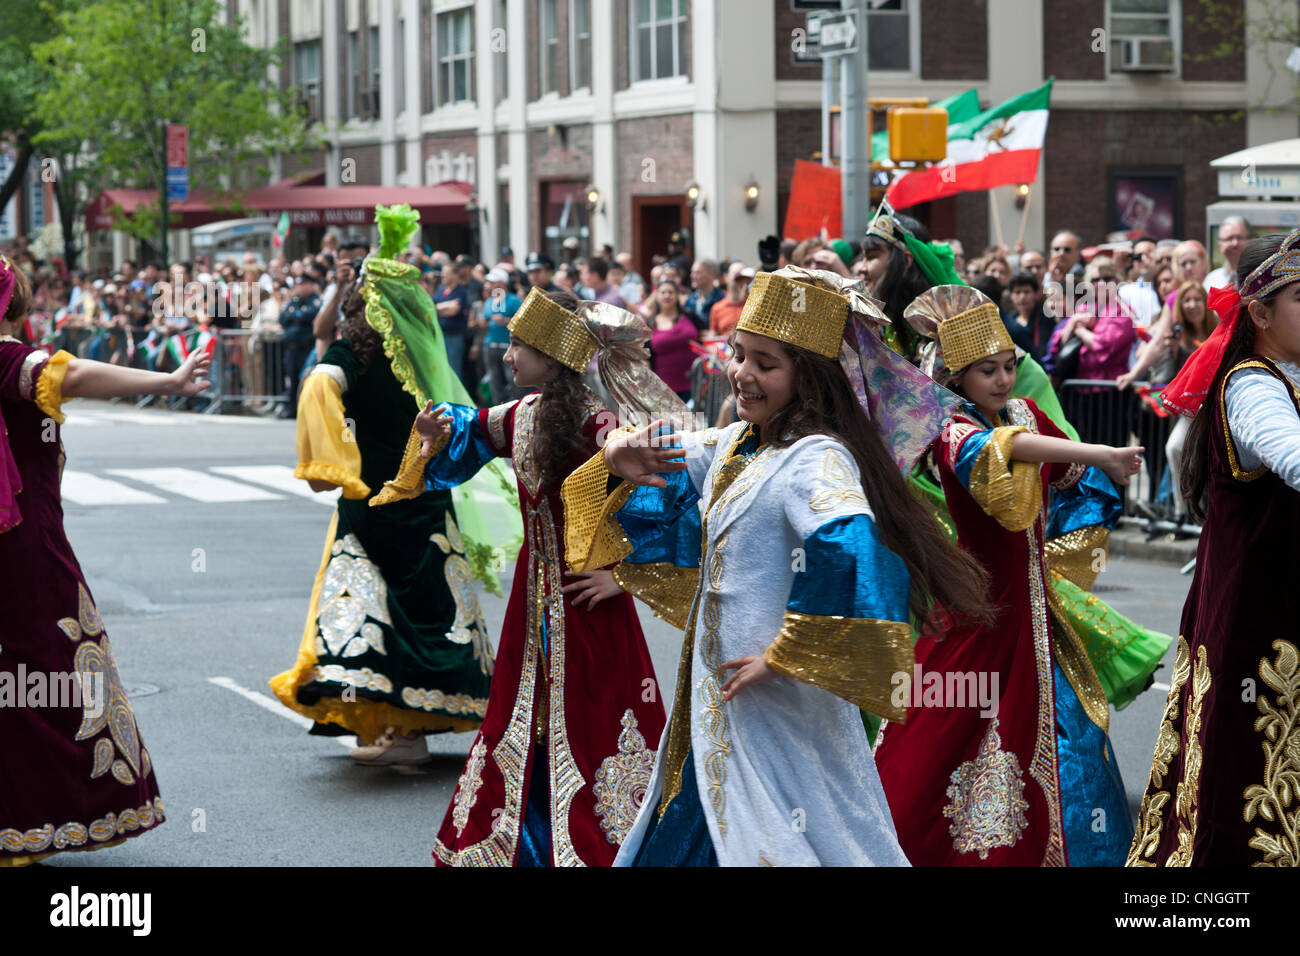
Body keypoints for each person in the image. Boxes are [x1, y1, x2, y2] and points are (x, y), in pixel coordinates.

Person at [560, 268, 991, 866]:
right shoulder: (740, 443)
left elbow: (852, 546)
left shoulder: (817, 458)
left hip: (777, 699)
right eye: (739, 355)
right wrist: (616, 450)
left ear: (808, 378)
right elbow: (664, 450)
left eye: (766, 363)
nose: (743, 373)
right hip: (715, 700)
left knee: (795, 835)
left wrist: (792, 652)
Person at [874, 284, 1146, 866]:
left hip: (1033, 611)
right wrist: (1099, 453)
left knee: (1057, 734)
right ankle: (897, 844)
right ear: (956, 377)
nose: (1001, 381)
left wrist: (1083, 464)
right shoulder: (951, 430)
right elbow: (1006, 450)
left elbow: (1059, 465)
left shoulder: (1022, 412)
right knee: (943, 733)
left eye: (1007, 367)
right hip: (978, 612)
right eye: (985, 371)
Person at [396, 289, 665, 866]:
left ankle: (606, 843)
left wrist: (625, 577)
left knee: (598, 717)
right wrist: (432, 435)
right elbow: (466, 430)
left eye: (519, 344)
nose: (507, 355)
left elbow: (664, 504)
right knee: (520, 712)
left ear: (552, 352)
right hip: (533, 595)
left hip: (589, 601)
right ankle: (517, 839)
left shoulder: (605, 427)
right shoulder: (520, 419)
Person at [270, 207, 512, 764]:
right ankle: (406, 727)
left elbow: (317, 387)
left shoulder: (354, 350)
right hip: (426, 497)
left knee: (371, 607)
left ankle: (400, 733)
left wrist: (327, 463)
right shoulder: (422, 354)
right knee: (426, 603)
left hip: (372, 500)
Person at [0, 255, 211, 866]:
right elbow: (74, 375)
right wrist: (167, 383)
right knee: (48, 672)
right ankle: (39, 815)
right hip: (23, 547)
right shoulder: (9, 359)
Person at [1129, 230, 1300, 866]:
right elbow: (1294, 458)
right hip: (1260, 618)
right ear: (1258, 313)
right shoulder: (1251, 387)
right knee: (1246, 775)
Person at [644, 279, 699, 401]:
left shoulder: (690, 316)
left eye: (671, 292)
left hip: (695, 384)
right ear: (657, 296)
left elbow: (707, 337)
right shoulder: (650, 323)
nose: (667, 296)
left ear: (677, 295)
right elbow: (646, 356)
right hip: (663, 388)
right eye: (663, 292)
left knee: (695, 419)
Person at [278, 268, 322, 418]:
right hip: (291, 348)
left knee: (306, 379)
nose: (299, 287)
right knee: (292, 379)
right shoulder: (294, 300)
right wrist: (296, 316)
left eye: (303, 284)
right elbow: (283, 318)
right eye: (298, 284)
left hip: (306, 347)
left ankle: (306, 410)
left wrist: (295, 316)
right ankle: (292, 409)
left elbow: (308, 315)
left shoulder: (315, 300)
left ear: (310, 285)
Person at [482, 267, 525, 404]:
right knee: (495, 383)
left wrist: (506, 321)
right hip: (491, 345)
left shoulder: (513, 300)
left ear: (502, 282)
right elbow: (485, 320)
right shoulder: (489, 301)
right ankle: (498, 413)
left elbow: (522, 321)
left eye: (494, 282)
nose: (491, 285)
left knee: (513, 381)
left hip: (508, 346)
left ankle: (516, 408)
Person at [434, 259, 472, 393]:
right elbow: (431, 309)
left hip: (454, 338)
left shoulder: (461, 292)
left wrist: (437, 309)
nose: (443, 276)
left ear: (455, 275)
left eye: (446, 273)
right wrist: (443, 307)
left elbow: (454, 310)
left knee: (454, 372)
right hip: (439, 337)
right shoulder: (439, 292)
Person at [1205, 215, 1251, 291]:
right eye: (1229, 238)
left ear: (1250, 241)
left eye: (1240, 238)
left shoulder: (1259, 277)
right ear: (1220, 245)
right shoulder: (1210, 280)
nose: (1235, 243)